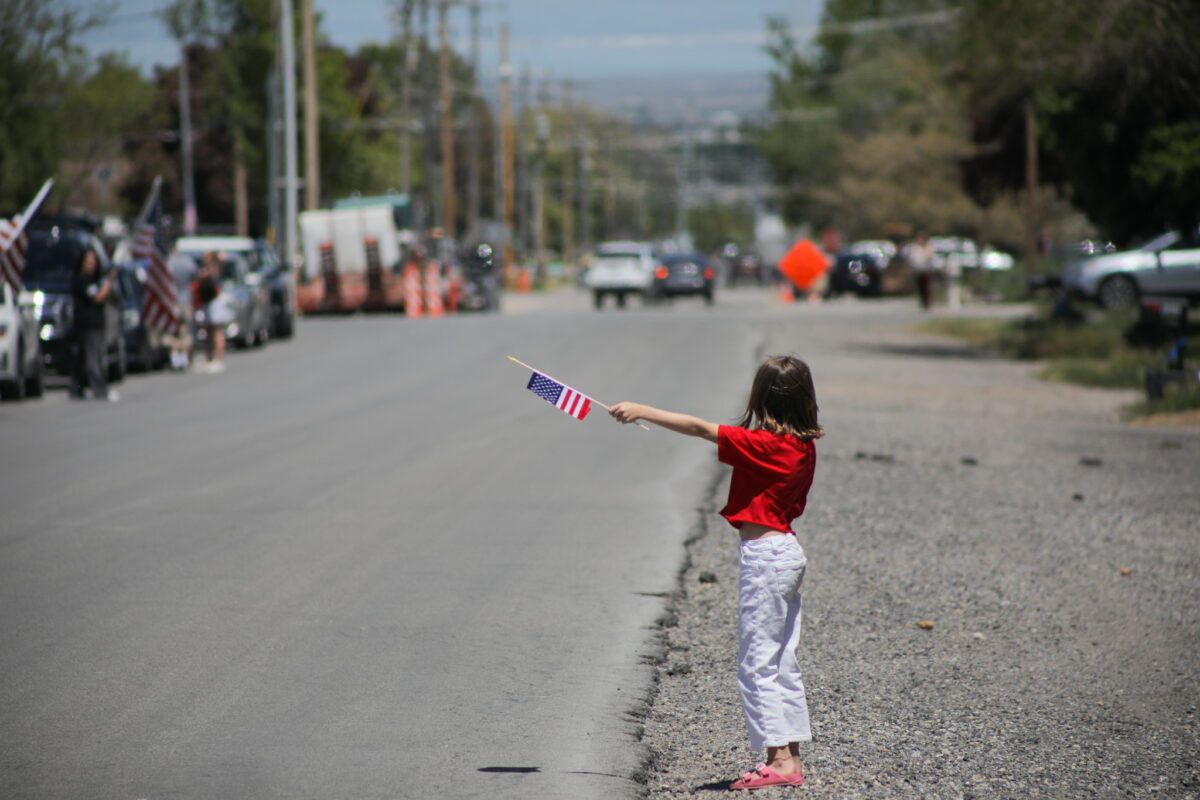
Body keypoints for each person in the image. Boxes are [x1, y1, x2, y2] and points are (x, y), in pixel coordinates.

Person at [609, 355, 823, 790]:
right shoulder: (801, 445)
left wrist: (641, 409)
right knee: (781, 660)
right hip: (785, 552)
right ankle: (790, 759)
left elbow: (701, 428)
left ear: (763, 398)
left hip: (766, 557)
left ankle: (780, 762)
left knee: (757, 663)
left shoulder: (766, 445)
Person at [69, 249, 118, 401]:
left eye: (93, 262)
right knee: (93, 359)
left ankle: (76, 389)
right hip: (87, 325)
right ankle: (99, 390)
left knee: (83, 358)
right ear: (82, 263)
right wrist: (109, 281)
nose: (92, 265)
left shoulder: (92, 280)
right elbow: (98, 298)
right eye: (88, 262)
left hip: (93, 324)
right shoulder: (81, 280)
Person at [195, 251, 228, 372]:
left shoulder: (215, 267)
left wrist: (218, 257)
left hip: (215, 301)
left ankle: (218, 358)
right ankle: (209, 357)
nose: (204, 259)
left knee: (217, 330)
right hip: (206, 301)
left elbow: (221, 266)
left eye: (207, 257)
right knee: (208, 330)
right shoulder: (204, 268)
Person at [166, 247, 197, 371]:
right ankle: (183, 356)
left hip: (173, 301)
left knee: (175, 330)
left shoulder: (170, 263)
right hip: (184, 300)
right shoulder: (188, 262)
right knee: (185, 330)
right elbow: (194, 276)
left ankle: (176, 357)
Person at [907, 231, 935, 310]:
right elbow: (912, 258)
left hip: (926, 269)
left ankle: (927, 302)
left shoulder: (928, 247)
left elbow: (930, 257)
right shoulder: (915, 248)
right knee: (920, 287)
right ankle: (922, 301)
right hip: (917, 270)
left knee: (926, 287)